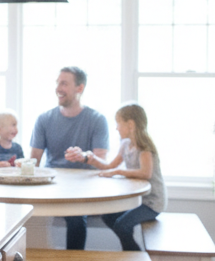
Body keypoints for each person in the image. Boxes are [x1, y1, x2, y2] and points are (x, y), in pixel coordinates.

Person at [30, 66, 109, 250]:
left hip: (82, 187)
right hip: (53, 184)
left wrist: (84, 157)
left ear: (79, 88)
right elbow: (34, 160)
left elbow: (102, 162)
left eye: (64, 83)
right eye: (57, 83)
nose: (58, 88)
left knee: (76, 217)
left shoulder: (97, 120)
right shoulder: (44, 119)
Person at [71, 102, 167, 250]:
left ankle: (136, 259)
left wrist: (119, 172)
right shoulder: (125, 144)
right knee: (108, 216)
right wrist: (89, 158)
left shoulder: (144, 148)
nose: (116, 128)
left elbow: (145, 173)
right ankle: (129, 253)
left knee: (122, 225)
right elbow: (110, 166)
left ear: (130, 125)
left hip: (151, 203)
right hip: (137, 200)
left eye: (118, 124)